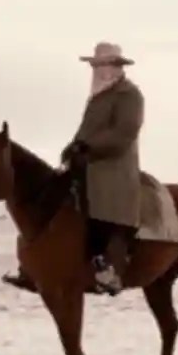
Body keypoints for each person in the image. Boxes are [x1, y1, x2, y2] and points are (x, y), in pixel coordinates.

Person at [60, 42, 144, 296]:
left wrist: (87, 147)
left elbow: (124, 133)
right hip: (87, 160)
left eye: (103, 65)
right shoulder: (97, 96)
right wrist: (71, 148)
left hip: (114, 164)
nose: (98, 70)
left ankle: (110, 269)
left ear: (117, 67)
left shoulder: (130, 95)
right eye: (95, 66)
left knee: (105, 205)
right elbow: (85, 131)